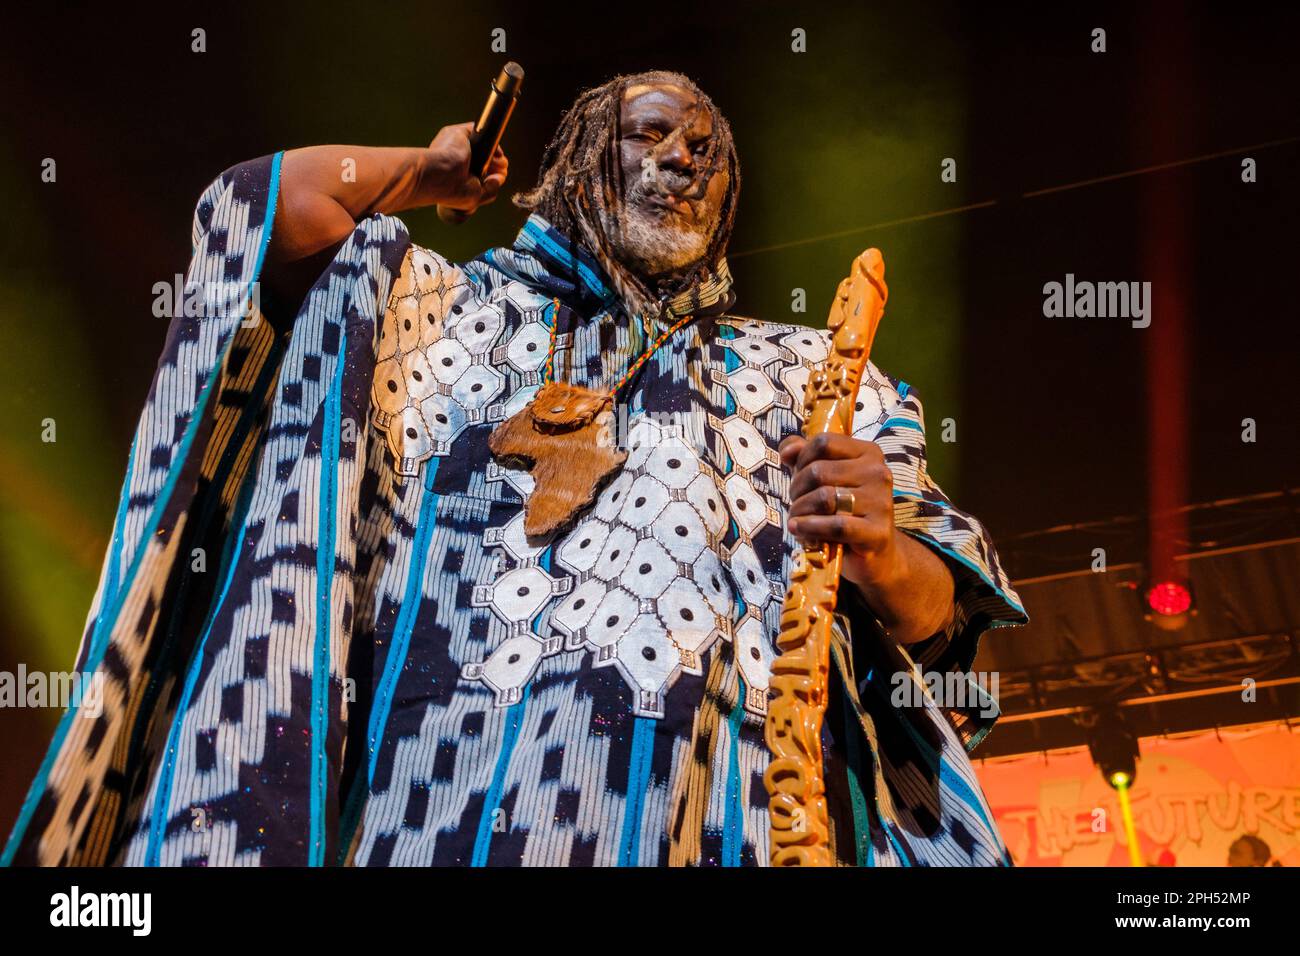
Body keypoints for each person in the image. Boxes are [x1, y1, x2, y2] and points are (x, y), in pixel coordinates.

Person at [5, 70, 1026, 867]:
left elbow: (947, 627)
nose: (684, 159)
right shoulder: (440, 314)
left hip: (738, 817)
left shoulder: (811, 372)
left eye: (707, 150)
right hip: (446, 819)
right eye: (651, 132)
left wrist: (885, 550)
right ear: (578, 161)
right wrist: (421, 170)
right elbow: (257, 207)